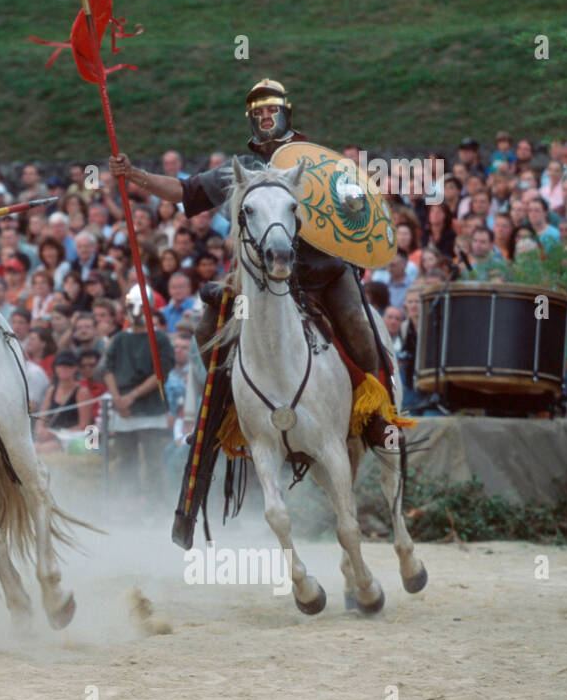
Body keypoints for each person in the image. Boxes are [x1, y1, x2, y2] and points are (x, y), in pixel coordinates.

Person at [110, 77, 398, 450]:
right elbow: (186, 191)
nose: (265, 116)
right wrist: (136, 176)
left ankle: (372, 413)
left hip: (323, 271)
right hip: (256, 280)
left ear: (286, 113)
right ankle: (224, 410)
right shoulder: (241, 170)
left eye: (272, 109)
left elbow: (354, 209)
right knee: (206, 330)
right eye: (258, 111)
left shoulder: (317, 163)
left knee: (359, 323)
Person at [104, 284, 176, 502]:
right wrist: (118, 399)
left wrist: (130, 397)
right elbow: (108, 369)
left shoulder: (160, 339)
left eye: (141, 307)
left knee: (154, 464)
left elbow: (160, 373)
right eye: (132, 306)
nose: (135, 311)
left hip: (150, 410)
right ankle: (129, 506)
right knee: (126, 462)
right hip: (123, 411)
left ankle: (156, 508)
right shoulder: (119, 339)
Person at [34, 350, 92, 453]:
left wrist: (57, 434)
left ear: (75, 368)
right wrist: (40, 430)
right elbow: (42, 417)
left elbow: (84, 425)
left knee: (44, 449)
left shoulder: (82, 392)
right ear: (56, 368)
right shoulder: (51, 390)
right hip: (51, 434)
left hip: (71, 436)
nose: (64, 368)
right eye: (61, 365)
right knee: (34, 447)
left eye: (69, 365)